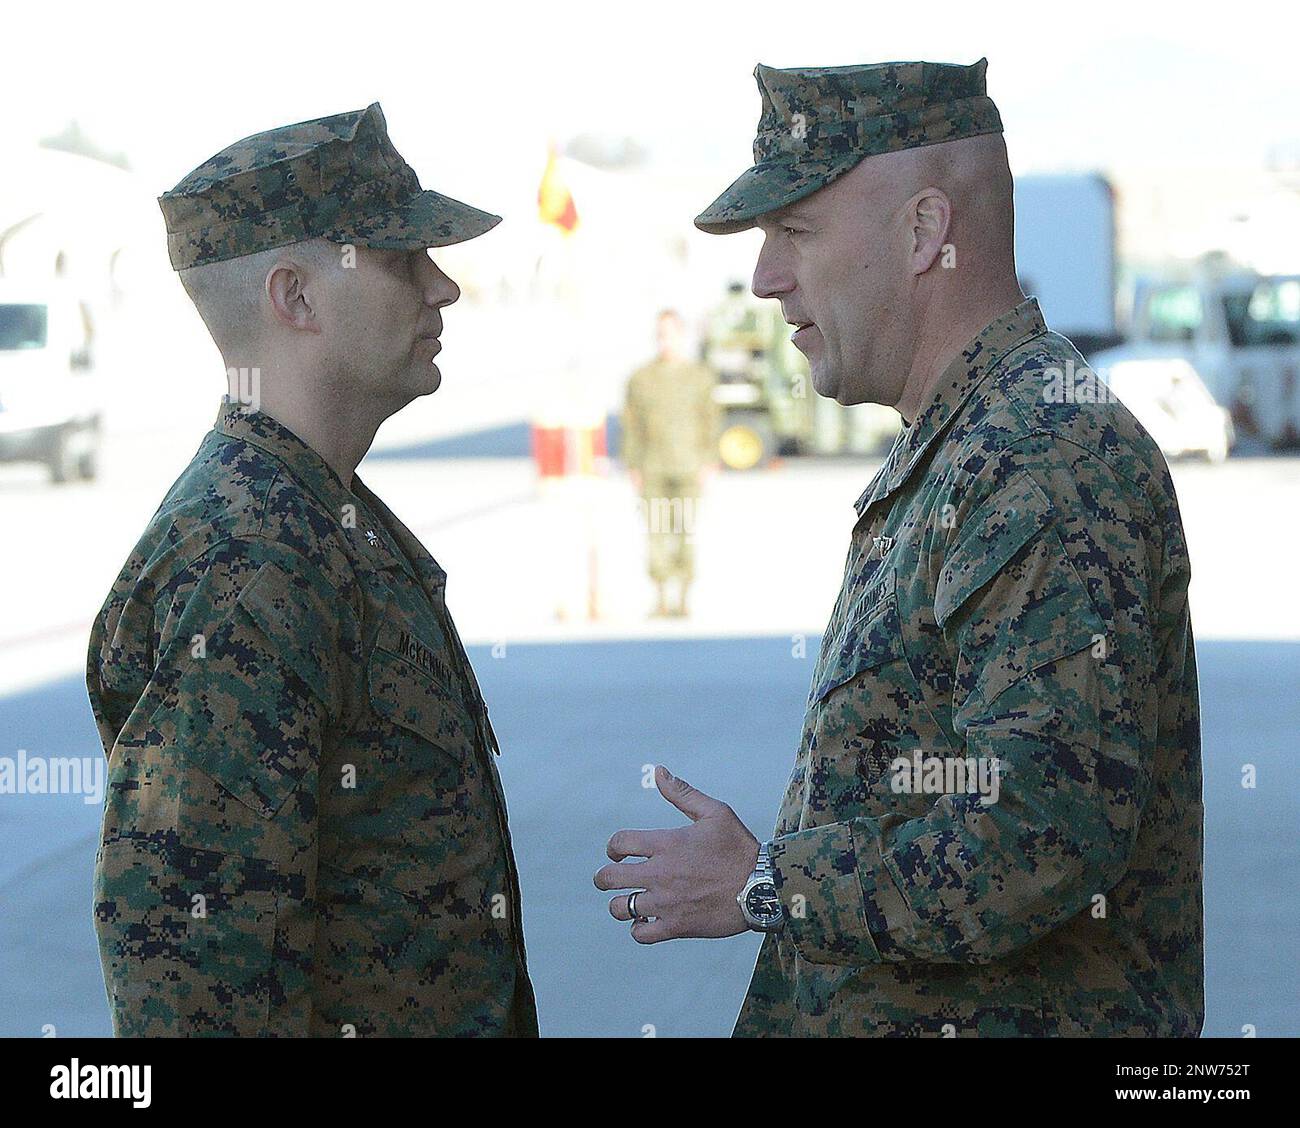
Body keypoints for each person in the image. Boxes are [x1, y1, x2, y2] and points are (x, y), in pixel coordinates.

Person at [594, 58, 1204, 1037]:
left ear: (924, 232)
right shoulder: (971, 441)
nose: (764, 278)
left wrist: (766, 883)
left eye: (795, 231)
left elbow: (1040, 830)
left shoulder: (1039, 455)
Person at [87, 103, 537, 1036]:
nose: (442, 287)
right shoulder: (246, 561)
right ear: (295, 298)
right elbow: (200, 986)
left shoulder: (319, 518)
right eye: (401, 259)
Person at [621, 309, 719, 617]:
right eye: (661, 333)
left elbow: (711, 420)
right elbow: (631, 425)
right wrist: (632, 464)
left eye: (672, 333)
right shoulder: (641, 379)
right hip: (652, 466)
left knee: (685, 529)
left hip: (689, 465)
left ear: (682, 335)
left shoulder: (700, 377)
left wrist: (710, 460)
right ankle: (662, 596)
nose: (666, 340)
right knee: (657, 530)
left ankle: (684, 596)